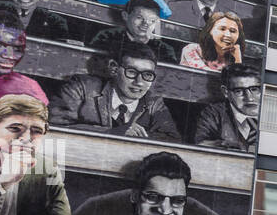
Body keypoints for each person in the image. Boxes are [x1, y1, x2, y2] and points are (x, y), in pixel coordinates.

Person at [73, 150, 245, 215]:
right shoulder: (98, 208)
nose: (165, 210)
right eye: (153, 197)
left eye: (177, 200)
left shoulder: (194, 210)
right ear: (134, 195)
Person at [49, 41, 180, 141]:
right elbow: (54, 127)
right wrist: (114, 132)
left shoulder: (154, 103)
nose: (139, 82)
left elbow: (172, 139)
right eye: (131, 72)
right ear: (114, 69)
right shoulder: (81, 87)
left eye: (147, 75)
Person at [88, 0, 178, 64]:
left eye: (152, 20)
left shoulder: (164, 49)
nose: (145, 24)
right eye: (139, 18)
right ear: (125, 16)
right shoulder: (107, 36)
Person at [193, 63, 261, 152]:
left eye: (254, 89)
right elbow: (200, 144)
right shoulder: (214, 113)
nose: (249, 98)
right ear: (225, 92)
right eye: (239, 91)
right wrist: (228, 145)